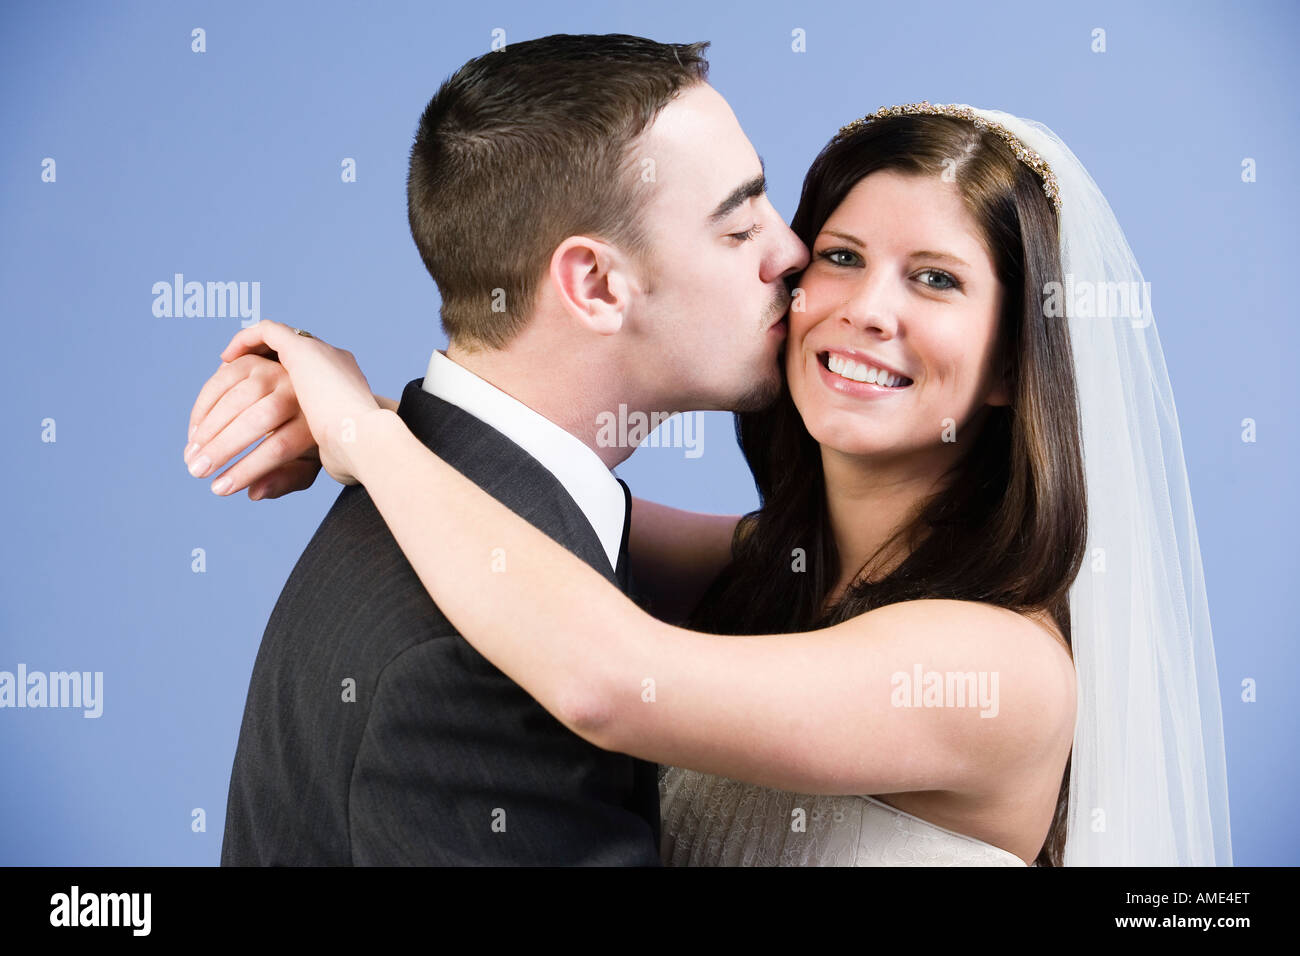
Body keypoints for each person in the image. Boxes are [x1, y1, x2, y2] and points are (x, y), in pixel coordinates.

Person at [191, 102, 1233, 866]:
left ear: (1012, 365)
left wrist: (364, 433)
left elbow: (604, 674)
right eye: (838, 254)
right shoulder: (768, 565)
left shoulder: (999, 670)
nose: (867, 308)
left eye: (935, 278)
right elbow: (531, 496)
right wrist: (326, 407)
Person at [198, 33, 808, 865]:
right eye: (739, 228)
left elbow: (798, 563)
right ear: (594, 284)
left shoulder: (471, 503)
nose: (792, 253)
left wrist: (366, 424)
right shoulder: (471, 668)